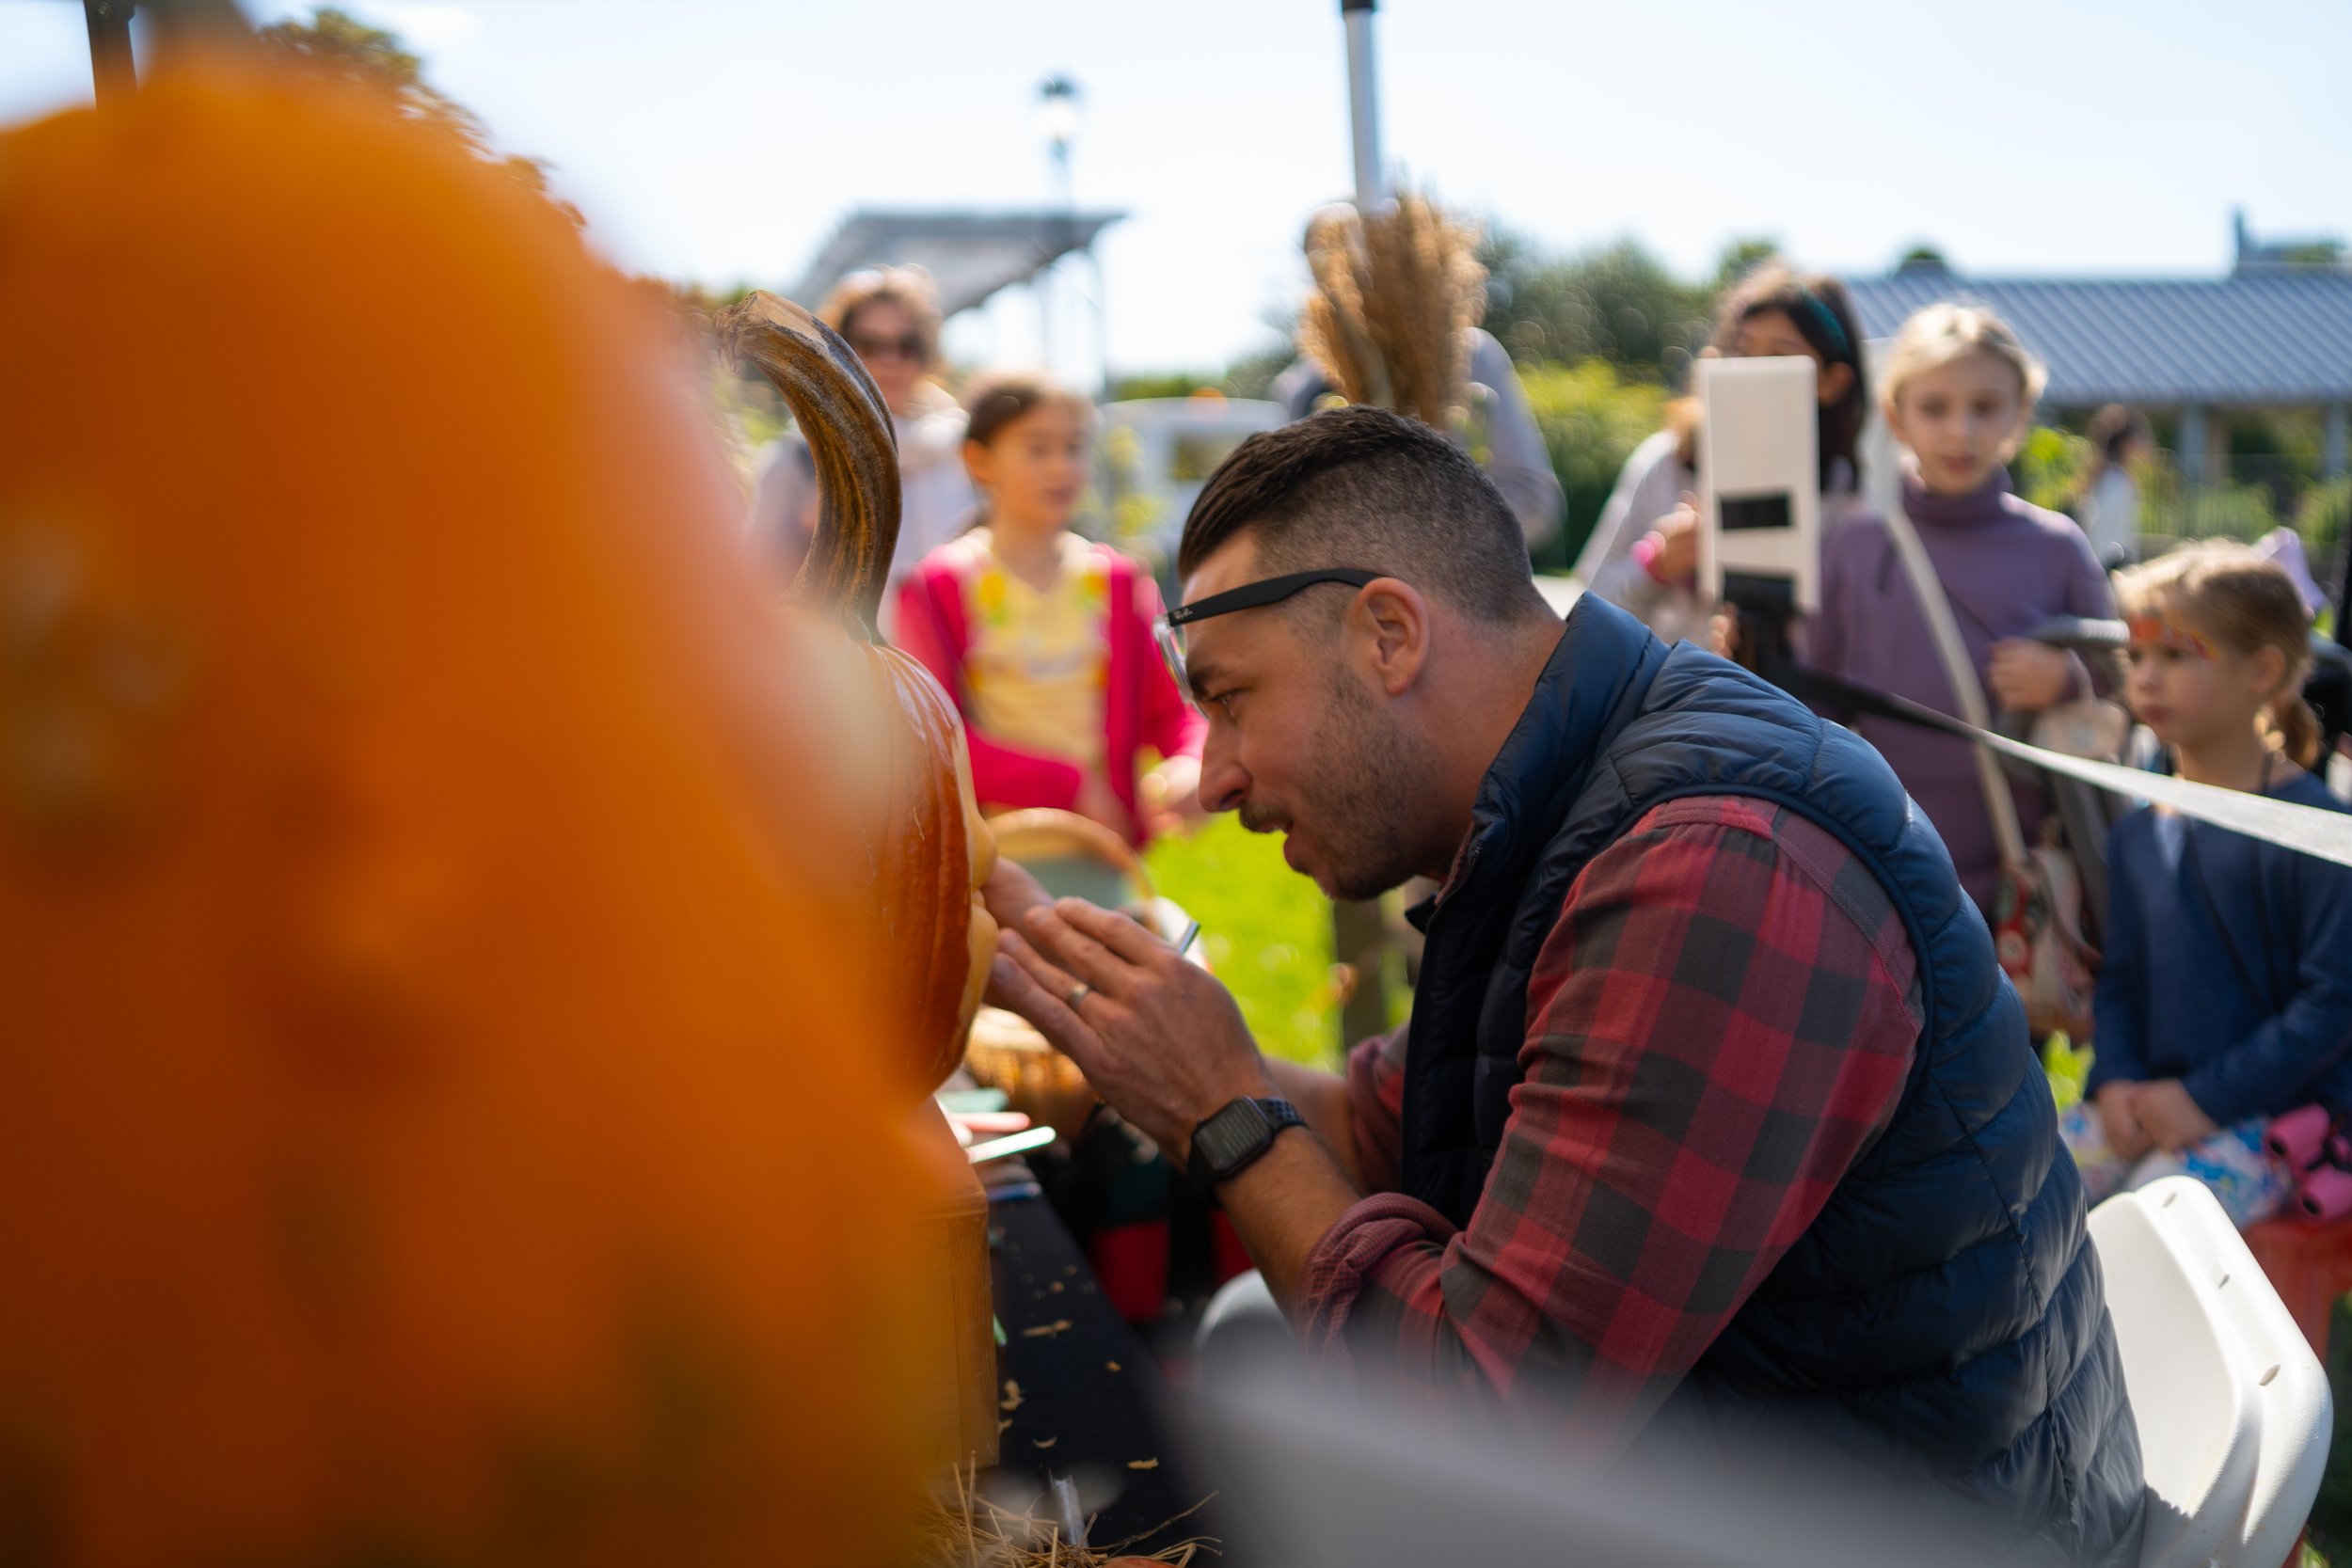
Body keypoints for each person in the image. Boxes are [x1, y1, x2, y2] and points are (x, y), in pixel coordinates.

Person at [979, 406, 2143, 1560]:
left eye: (1229, 698)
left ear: (1389, 633)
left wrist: (1223, 1111)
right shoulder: (1564, 799)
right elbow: (1380, 1132)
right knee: (1240, 1360)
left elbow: (1485, 1426)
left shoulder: (1712, 868)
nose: (1217, 776)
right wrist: (1126, 1024)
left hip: (1901, 1533)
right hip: (1760, 1480)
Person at [1769, 303, 2117, 917]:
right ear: (1895, 418)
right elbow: (1815, 704)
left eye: (1985, 406)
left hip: (2025, 867)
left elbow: (2124, 688)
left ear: (2021, 414)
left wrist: (2068, 679)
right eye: (1935, 408)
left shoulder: (2058, 546)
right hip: (1884, 859)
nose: (1961, 431)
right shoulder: (1854, 545)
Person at [2071, 542, 2352, 1226]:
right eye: (2137, 657)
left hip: (2281, 1120)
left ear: (2263, 670)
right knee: (2022, 1181)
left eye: (2175, 655)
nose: (2146, 679)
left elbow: (2331, 1005)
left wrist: (2201, 1099)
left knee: (2159, 1223)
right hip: (2150, 1099)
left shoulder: (2320, 832)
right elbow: (2123, 981)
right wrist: (2114, 1081)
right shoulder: (2140, 829)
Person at [896, 371, 1204, 845]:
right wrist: (1071, 785)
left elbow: (1172, 710)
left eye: (1074, 447)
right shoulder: (938, 586)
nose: (1062, 467)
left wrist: (1190, 761)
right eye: (1038, 448)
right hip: (988, 866)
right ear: (978, 461)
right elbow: (935, 743)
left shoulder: (1119, 580)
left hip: (1107, 854)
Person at [1574, 265, 1870, 643]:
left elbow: (1855, 647)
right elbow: (1587, 612)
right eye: (1741, 351)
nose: (1750, 373)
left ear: (1832, 382)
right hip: (1663, 699)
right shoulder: (1667, 463)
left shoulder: (1847, 501)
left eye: (1779, 357)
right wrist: (1656, 565)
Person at [752, 266, 974, 631]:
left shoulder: (964, 452)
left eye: (907, 346)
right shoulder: (797, 459)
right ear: (839, 351)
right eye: (870, 345)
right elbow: (753, 589)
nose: (891, 360)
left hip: (947, 671)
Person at [2074, 404, 2153, 569]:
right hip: (2111, 567)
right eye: (2142, 437)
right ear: (2127, 442)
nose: (2148, 443)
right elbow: (2110, 535)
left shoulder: (2110, 477)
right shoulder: (2117, 482)